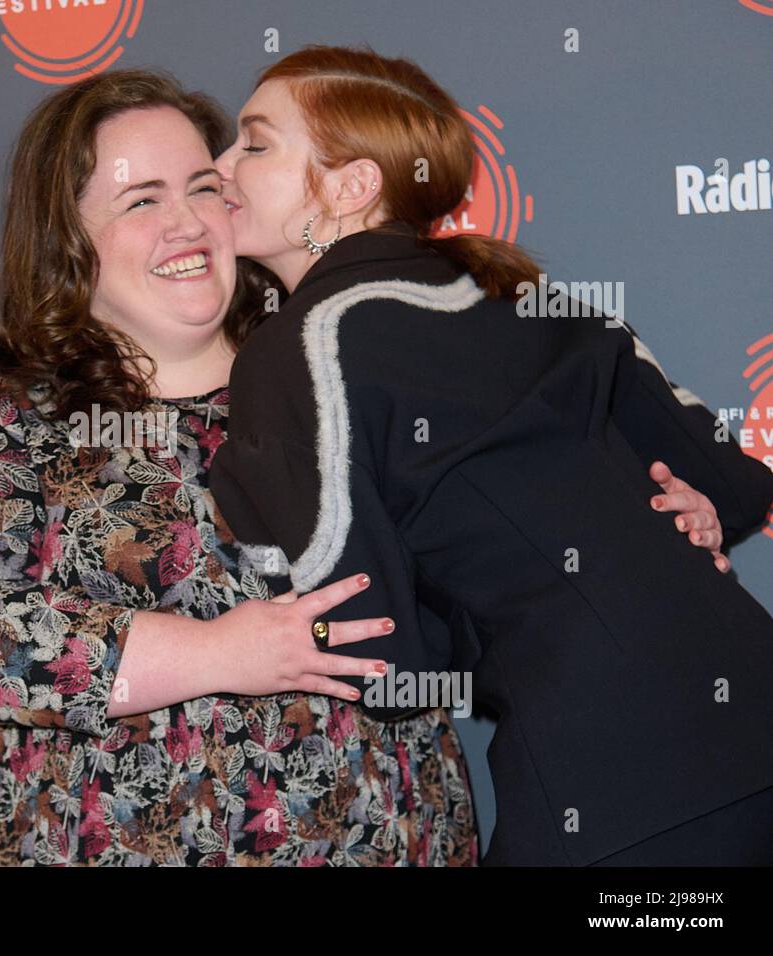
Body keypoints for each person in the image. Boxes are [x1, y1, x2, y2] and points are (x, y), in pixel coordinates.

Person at [0, 68, 724, 867]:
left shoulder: (346, 358)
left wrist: (652, 521)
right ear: (66, 235)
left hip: (391, 836)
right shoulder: (4, 408)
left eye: (204, 187)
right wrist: (217, 654)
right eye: (142, 200)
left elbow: (513, 543)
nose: (188, 222)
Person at [207, 45, 773, 865]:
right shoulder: (519, 292)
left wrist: (485, 634)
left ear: (352, 185)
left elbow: (372, 646)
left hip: (615, 779)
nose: (222, 165)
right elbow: (729, 481)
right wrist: (660, 530)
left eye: (255, 143)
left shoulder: (299, 346)